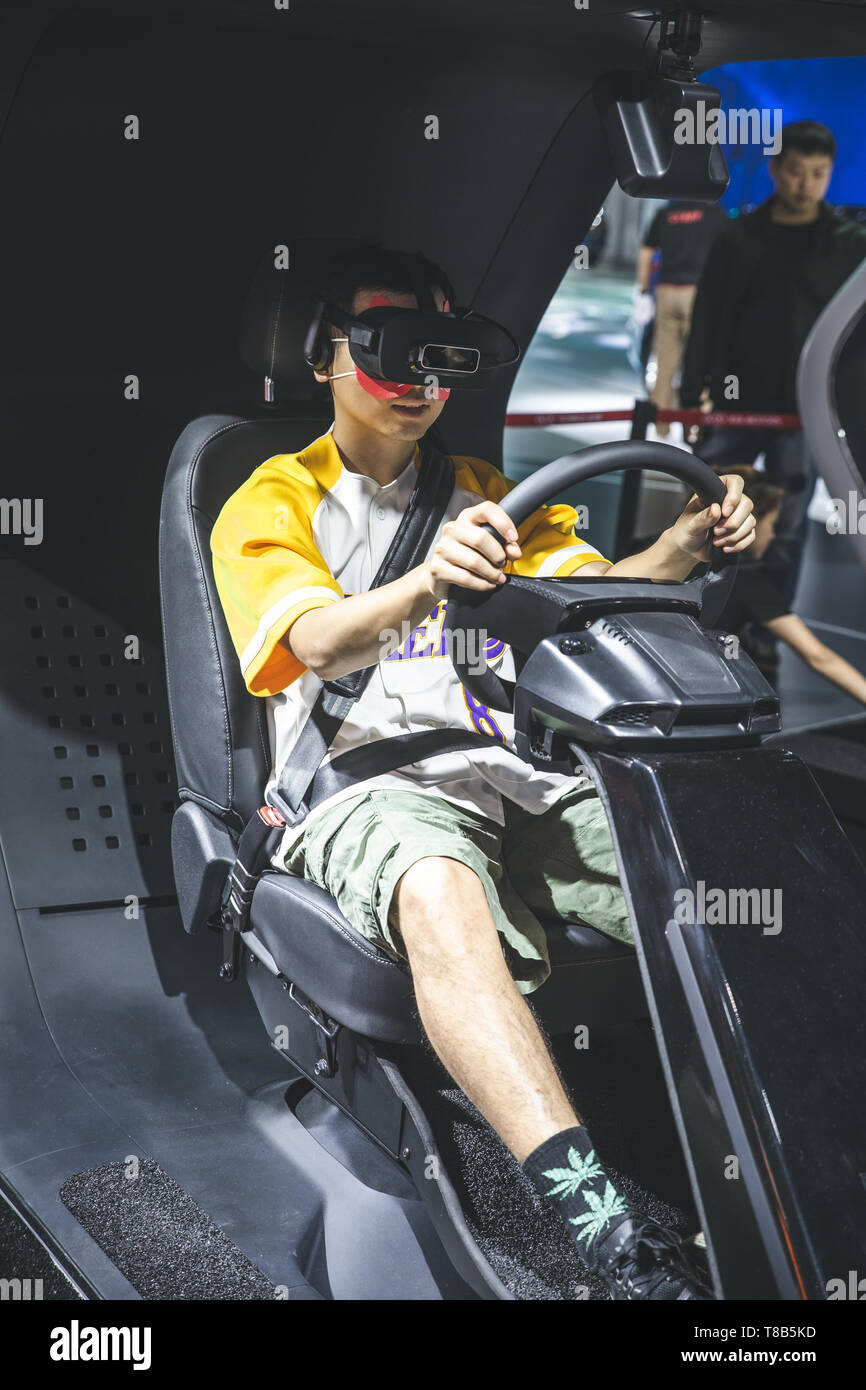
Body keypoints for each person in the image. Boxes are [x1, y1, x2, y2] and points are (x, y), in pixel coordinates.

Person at [211, 243, 756, 1301]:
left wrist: (685, 545)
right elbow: (314, 640)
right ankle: (606, 1233)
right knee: (435, 884)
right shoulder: (268, 498)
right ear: (322, 356)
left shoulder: (485, 491)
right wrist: (427, 582)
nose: (417, 383)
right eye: (388, 355)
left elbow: (593, 594)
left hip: (504, 769)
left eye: (437, 358)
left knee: (688, 849)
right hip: (360, 782)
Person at [681, 120, 866, 619]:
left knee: (787, 525)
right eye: (796, 171)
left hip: (807, 413)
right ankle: (692, 608)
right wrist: (690, 393)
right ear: (775, 169)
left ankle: (767, 623)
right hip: (734, 404)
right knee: (709, 506)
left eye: (818, 173)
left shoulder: (850, 245)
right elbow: (707, 319)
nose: (805, 183)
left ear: (829, 175)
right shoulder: (737, 238)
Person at [712, 466, 866, 704]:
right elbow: (819, 657)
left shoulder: (652, 546)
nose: (772, 535)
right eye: (772, 524)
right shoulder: (748, 581)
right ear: (752, 521)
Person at [636, 199, 728, 437]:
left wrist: (644, 291)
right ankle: (696, 426)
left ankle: (661, 426)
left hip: (666, 292)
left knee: (665, 363)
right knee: (701, 361)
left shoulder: (665, 213)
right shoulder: (714, 215)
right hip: (698, 294)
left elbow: (646, 251)